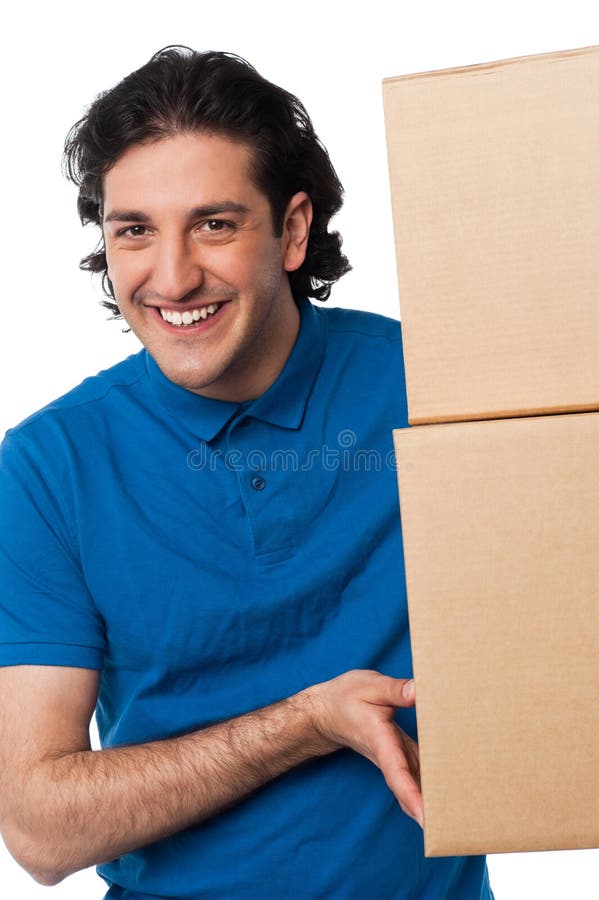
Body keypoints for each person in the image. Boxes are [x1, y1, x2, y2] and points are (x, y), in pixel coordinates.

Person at [0, 47, 494, 899]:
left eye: (214, 224)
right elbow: (40, 831)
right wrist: (306, 723)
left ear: (293, 230)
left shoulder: (439, 391)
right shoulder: (49, 467)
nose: (172, 276)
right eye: (135, 231)